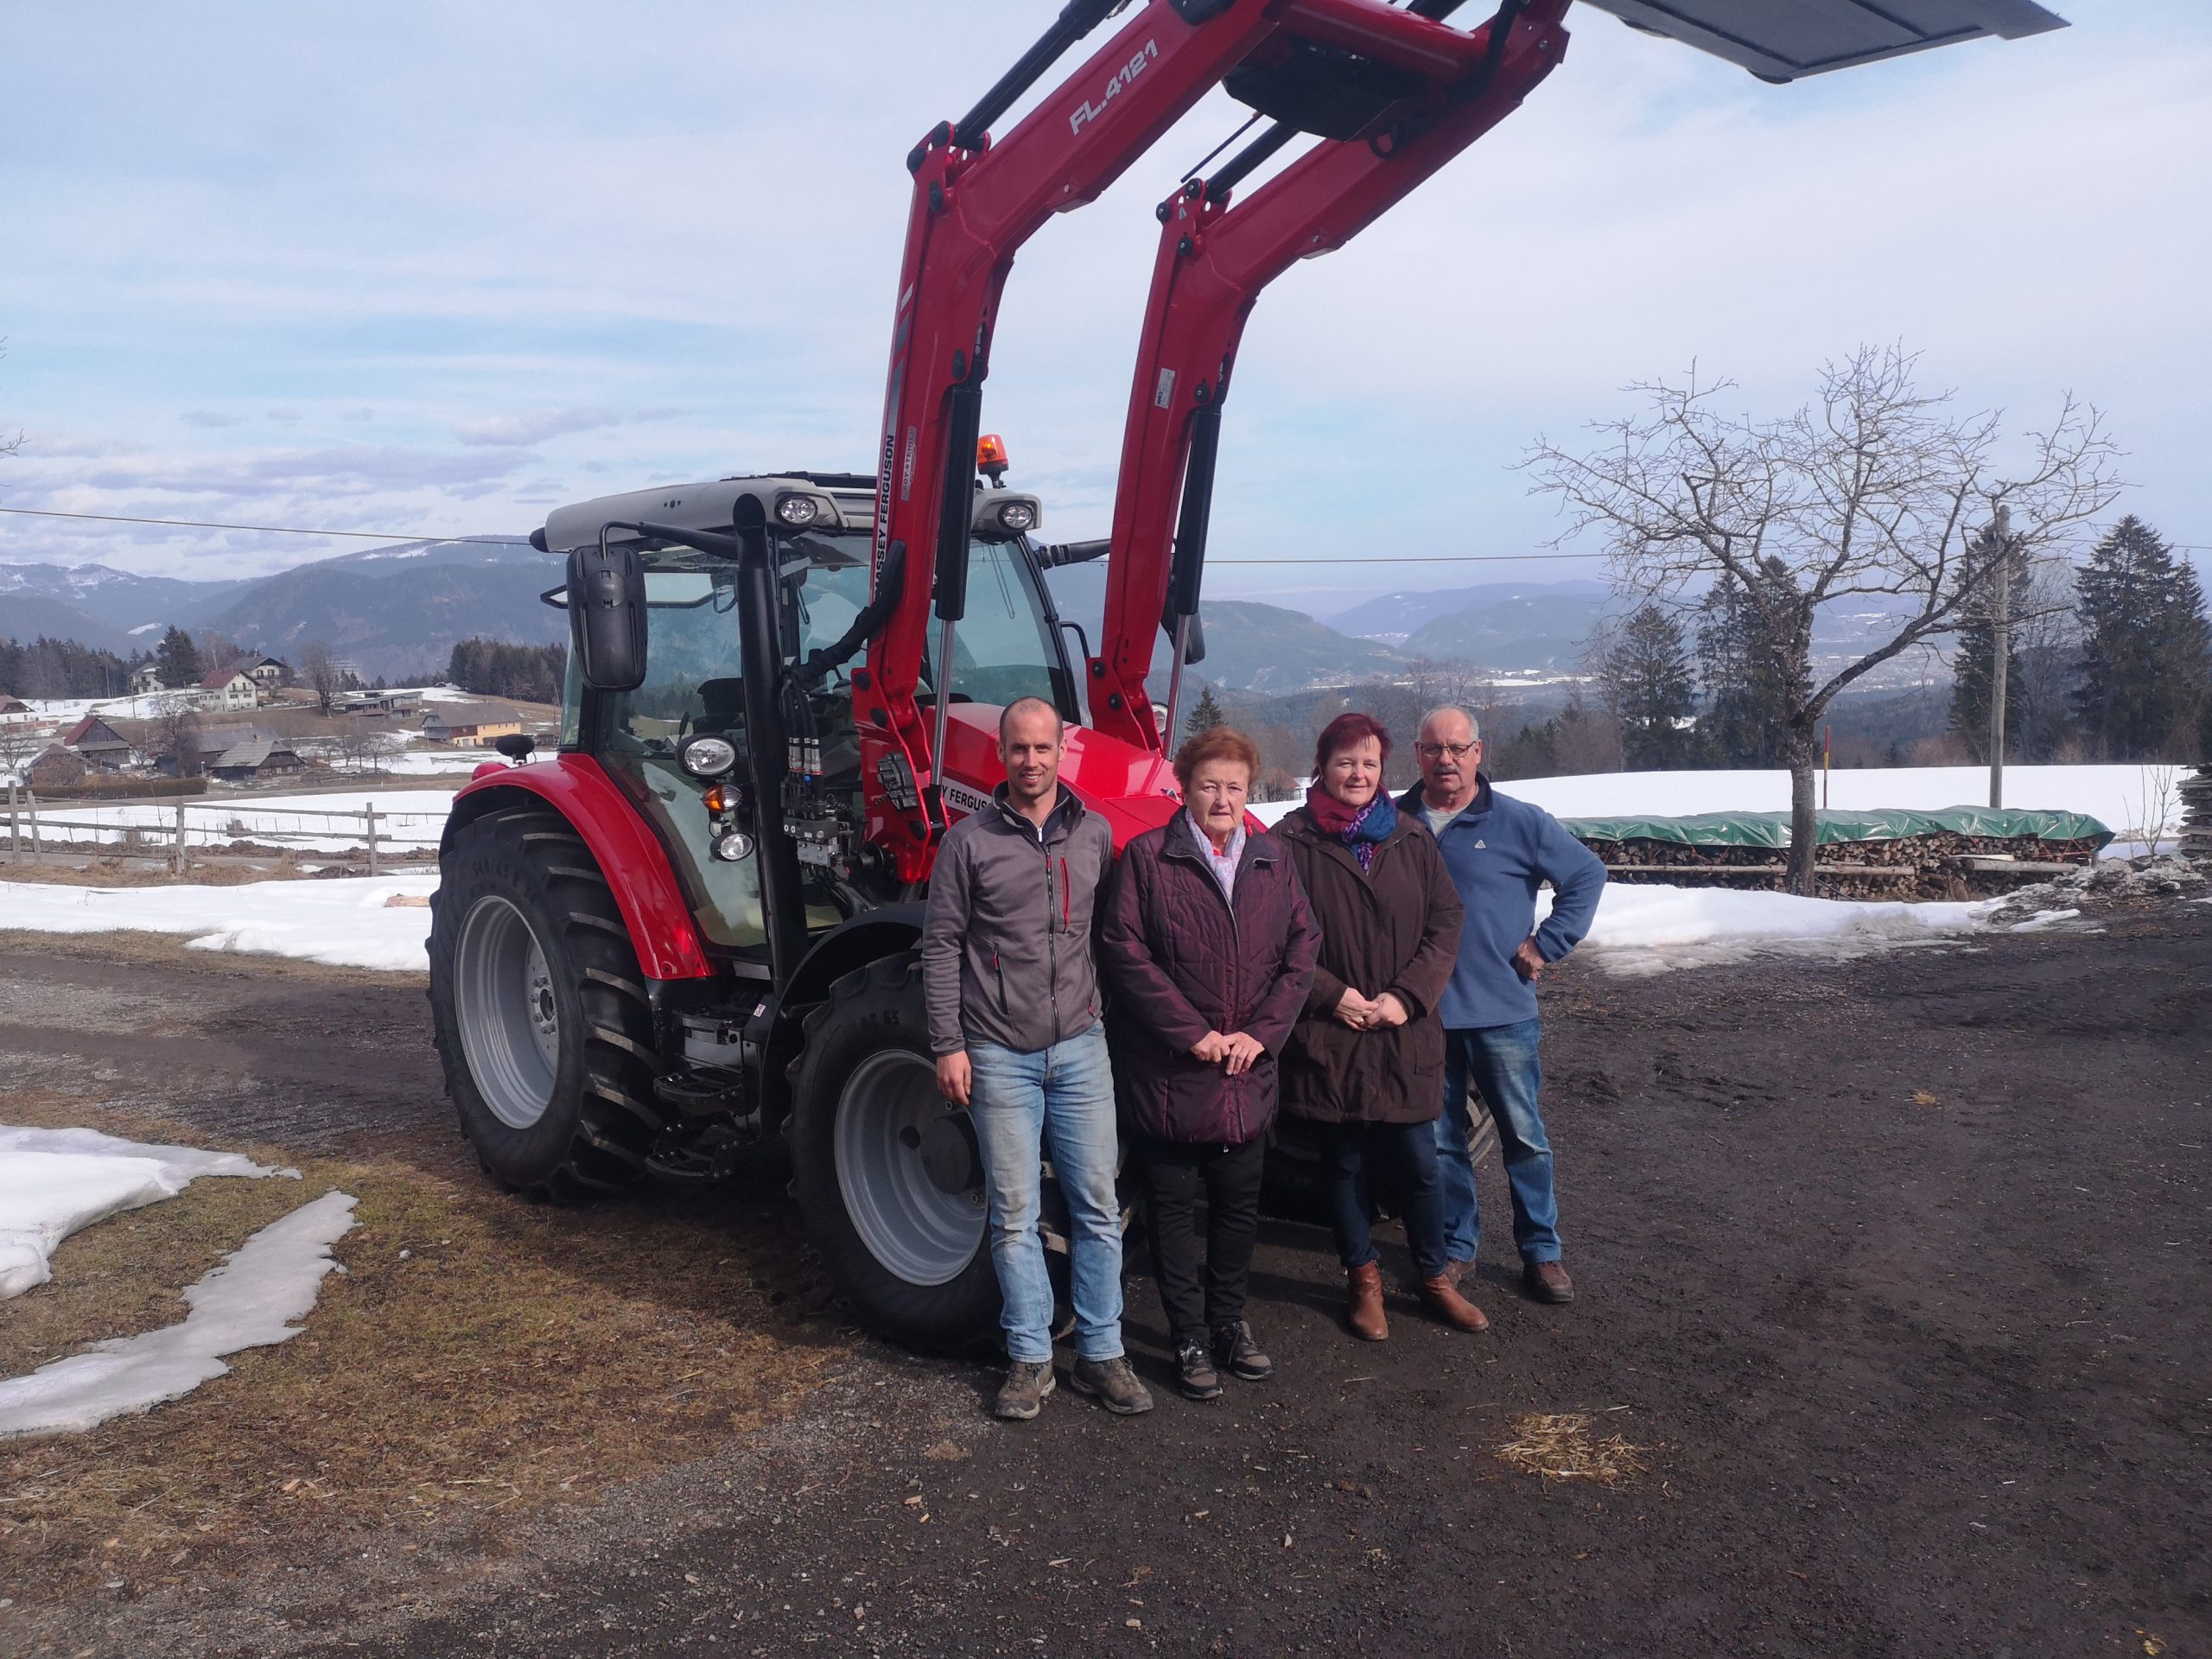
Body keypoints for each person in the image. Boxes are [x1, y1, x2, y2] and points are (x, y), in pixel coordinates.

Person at [922, 696, 1153, 1420]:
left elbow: (1109, 934)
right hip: (998, 1050)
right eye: (1018, 748)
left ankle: (1102, 1354)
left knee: (1098, 1206)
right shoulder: (968, 843)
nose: (1031, 761)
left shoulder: (1095, 834)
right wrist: (948, 1044)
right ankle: (1029, 1358)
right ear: (1002, 754)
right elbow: (940, 945)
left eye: (1043, 748)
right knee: (1015, 1213)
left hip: (1081, 1046)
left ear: (1061, 753)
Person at [1101, 724, 1319, 1400]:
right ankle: (1188, 1335)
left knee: (1236, 1208)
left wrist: (1263, 1035)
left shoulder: (1273, 860)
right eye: (1208, 786)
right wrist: (1191, 1033)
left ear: (1248, 792)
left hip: (1245, 1072)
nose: (1222, 800)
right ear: (1184, 790)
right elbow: (1124, 952)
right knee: (1172, 1211)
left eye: (1235, 787)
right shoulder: (1148, 859)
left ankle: (1228, 1322)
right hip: (1173, 1072)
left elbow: (1302, 951)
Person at [1276, 712, 1487, 1340]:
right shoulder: (1290, 843)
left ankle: (1434, 1277)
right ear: (1322, 767)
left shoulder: (1411, 838)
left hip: (1402, 1033)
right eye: (1345, 761)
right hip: (1332, 1033)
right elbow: (1274, 937)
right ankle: (1362, 1278)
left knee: (1421, 1163)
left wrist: (1407, 996)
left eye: (1369, 762)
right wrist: (1332, 995)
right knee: (1343, 1165)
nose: (1358, 773)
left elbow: (1445, 923)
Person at [1403, 705, 1606, 1305]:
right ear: (1418, 755)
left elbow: (1586, 874)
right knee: (1442, 1141)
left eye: (1456, 748)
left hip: (1502, 1013)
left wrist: (1547, 944)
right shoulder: (1394, 821)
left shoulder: (1519, 821)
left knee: (1524, 1136)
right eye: (1433, 749)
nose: (1445, 759)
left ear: (1477, 753)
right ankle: (1458, 1244)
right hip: (1424, 1014)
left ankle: (1541, 1251)